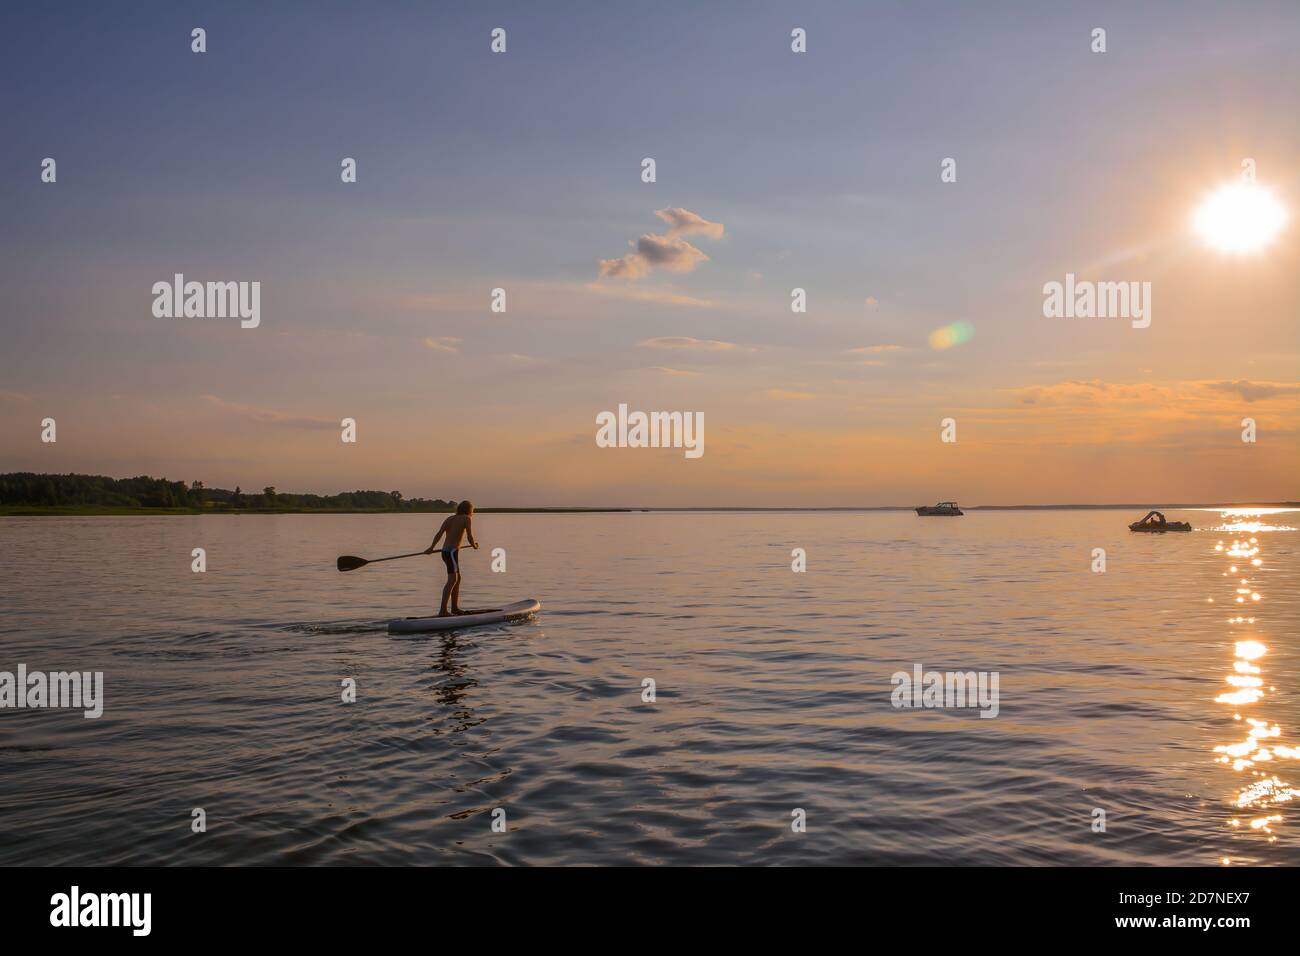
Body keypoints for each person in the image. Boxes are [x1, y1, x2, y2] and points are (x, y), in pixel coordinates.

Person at [424, 500, 479, 616]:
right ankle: (443, 611)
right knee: (452, 580)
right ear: (469, 510)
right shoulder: (466, 519)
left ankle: (454, 608)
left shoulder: (449, 519)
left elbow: (439, 533)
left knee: (457, 579)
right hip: (451, 552)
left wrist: (431, 547)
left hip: (445, 552)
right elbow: (469, 536)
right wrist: (474, 545)